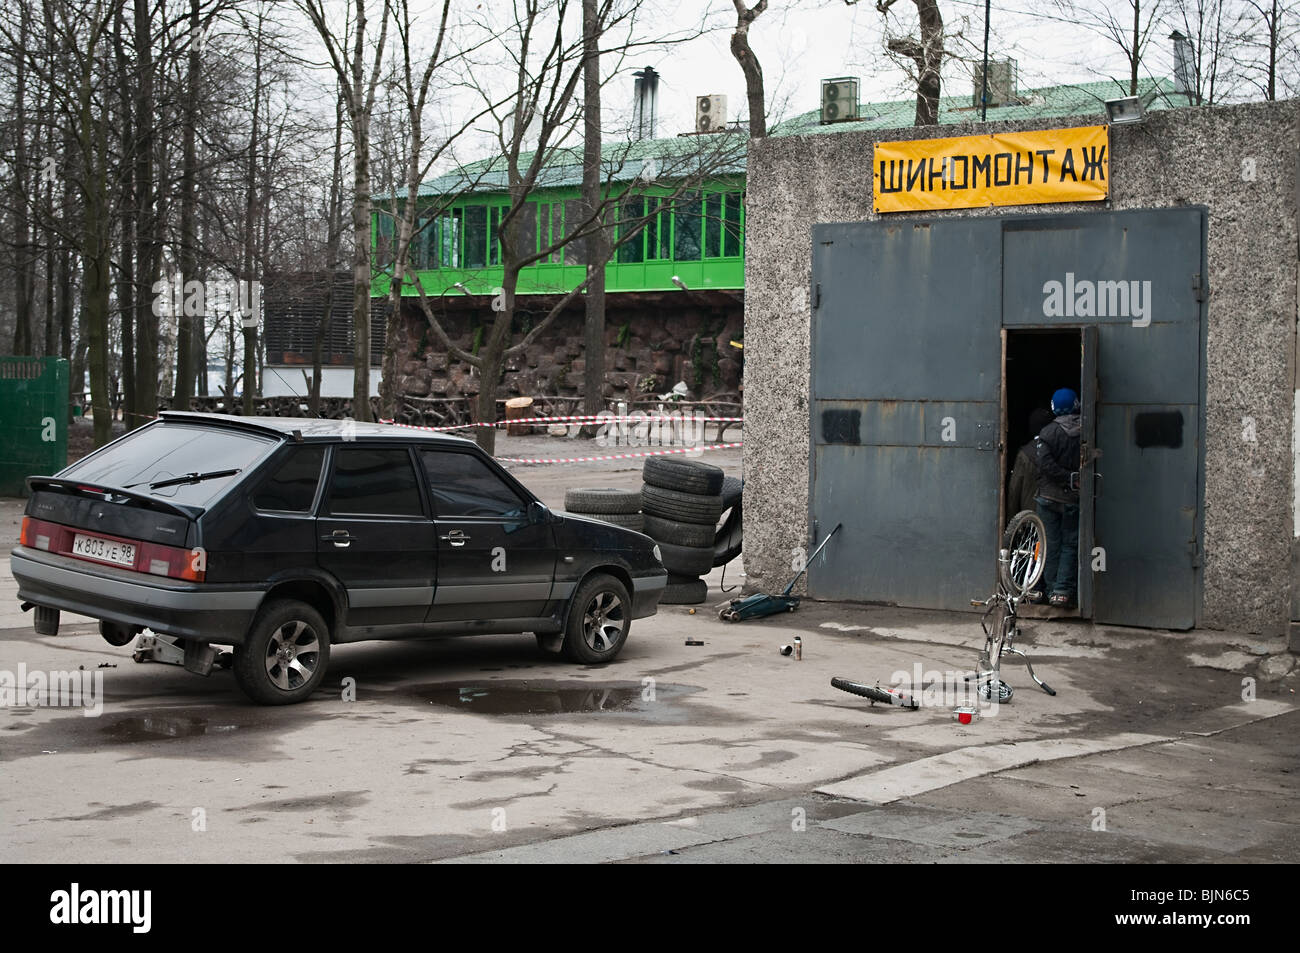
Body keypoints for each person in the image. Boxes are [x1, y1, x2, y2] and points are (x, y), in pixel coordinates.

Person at [1035, 388, 1082, 608]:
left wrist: (1062, 477)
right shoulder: (1086, 431)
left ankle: (1051, 589)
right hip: (1072, 498)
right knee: (1070, 545)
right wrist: (1073, 479)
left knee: (1050, 544)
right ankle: (1063, 592)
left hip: (1047, 497)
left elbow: (1044, 464)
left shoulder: (1047, 433)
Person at [1008, 407, 1053, 518]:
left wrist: (1011, 519)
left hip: (1030, 518)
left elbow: (1014, 489)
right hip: (1055, 516)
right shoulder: (1059, 449)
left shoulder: (1024, 454)